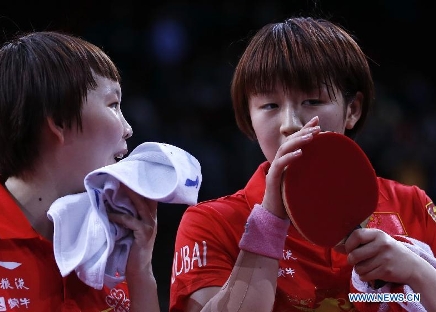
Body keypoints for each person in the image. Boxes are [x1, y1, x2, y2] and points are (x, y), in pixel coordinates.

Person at [169, 16, 436, 311]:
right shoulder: (212, 224)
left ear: (353, 110)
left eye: (311, 101)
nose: (289, 125)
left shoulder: (413, 207)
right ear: (250, 117)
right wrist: (269, 222)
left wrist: (418, 273)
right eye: (269, 106)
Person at [0, 31, 160, 312]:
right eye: (113, 105)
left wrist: (140, 272)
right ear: (60, 122)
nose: (127, 129)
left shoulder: (111, 249)